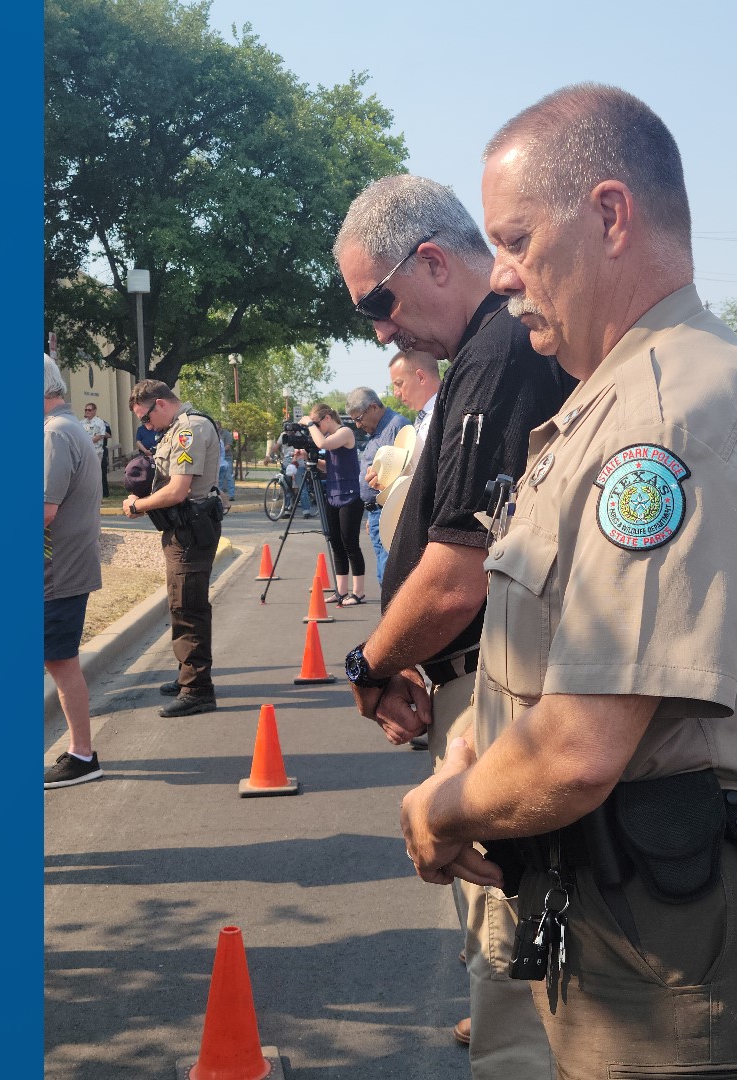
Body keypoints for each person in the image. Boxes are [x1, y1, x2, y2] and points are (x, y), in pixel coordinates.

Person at [397, 85, 737, 1078]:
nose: (500, 277)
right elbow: (558, 655)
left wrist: (443, 809)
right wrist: (483, 728)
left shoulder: (663, 420)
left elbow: (581, 749)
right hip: (628, 923)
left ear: (608, 214)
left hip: (671, 954)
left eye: (514, 239)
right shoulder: (618, 402)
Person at [333, 173, 570, 1077]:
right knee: (494, 946)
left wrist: (369, 663)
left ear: (430, 258)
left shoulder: (500, 349)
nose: (381, 330)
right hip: (473, 682)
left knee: (510, 962)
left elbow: (456, 579)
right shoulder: (485, 350)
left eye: (378, 303)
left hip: (502, 686)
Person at [122, 379, 225, 717]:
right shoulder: (178, 429)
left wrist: (139, 506)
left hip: (190, 530)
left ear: (161, 404)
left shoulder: (188, 430)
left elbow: (178, 490)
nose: (146, 425)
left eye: (145, 417)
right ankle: (188, 675)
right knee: (182, 603)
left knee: (188, 608)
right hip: (184, 529)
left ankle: (197, 689)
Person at [44, 356, 105, 788]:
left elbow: (42, 511)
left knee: (62, 663)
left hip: (55, 573)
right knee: (59, 662)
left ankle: (83, 755)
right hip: (61, 569)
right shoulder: (66, 429)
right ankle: (81, 752)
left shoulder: (53, 435)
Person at [301, 403, 368, 605]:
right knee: (336, 543)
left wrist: (309, 424)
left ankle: (358, 592)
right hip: (333, 494)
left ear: (327, 418)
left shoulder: (345, 432)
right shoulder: (330, 439)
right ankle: (341, 591)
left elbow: (322, 444)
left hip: (350, 496)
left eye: (317, 423)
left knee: (350, 544)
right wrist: (308, 458)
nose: (316, 427)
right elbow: (330, 466)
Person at [348, 386, 410, 583]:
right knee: (384, 573)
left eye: (358, 419)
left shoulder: (395, 427)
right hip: (377, 511)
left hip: (389, 511)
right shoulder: (377, 430)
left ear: (373, 407)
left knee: (389, 575)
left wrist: (384, 509)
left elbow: (405, 476)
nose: (357, 425)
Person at [81, 402, 113, 496]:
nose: (87, 411)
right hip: (85, 452)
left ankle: (98, 493)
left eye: (89, 410)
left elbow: (100, 436)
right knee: (85, 473)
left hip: (96, 452)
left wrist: (87, 441)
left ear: (94, 411)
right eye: (86, 410)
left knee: (96, 474)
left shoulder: (100, 422)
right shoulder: (81, 422)